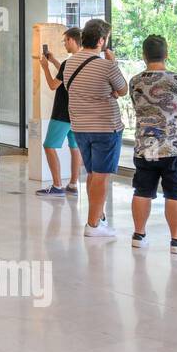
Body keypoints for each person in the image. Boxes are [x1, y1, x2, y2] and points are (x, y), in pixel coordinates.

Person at [128, 34, 177, 254]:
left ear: (144, 55)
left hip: (147, 144)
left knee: (142, 189)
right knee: (175, 193)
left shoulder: (136, 81)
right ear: (166, 54)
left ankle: (139, 235)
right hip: (176, 146)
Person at [62, 18, 127, 237]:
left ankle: (97, 216)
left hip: (80, 126)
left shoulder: (69, 63)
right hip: (105, 127)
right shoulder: (106, 65)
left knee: (92, 173)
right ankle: (93, 225)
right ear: (101, 40)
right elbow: (123, 89)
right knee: (101, 175)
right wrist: (114, 63)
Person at [36, 27, 84, 197]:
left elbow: (53, 85)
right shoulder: (84, 61)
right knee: (75, 147)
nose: (64, 44)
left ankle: (57, 186)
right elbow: (65, 74)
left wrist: (45, 68)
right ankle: (73, 184)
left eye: (65, 41)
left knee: (49, 146)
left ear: (72, 40)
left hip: (62, 113)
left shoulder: (69, 63)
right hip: (76, 113)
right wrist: (54, 61)